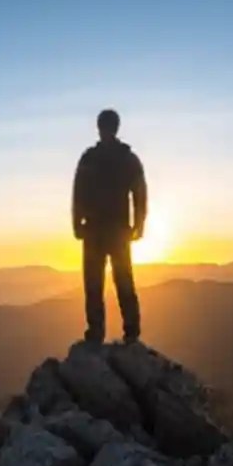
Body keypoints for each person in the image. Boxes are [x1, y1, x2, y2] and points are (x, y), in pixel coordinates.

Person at [71, 108, 146, 344]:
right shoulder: (128, 159)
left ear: (99, 127)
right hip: (118, 230)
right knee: (122, 280)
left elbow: (78, 193)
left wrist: (77, 222)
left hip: (95, 230)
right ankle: (131, 333)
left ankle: (96, 333)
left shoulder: (89, 158)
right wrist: (139, 224)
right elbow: (140, 194)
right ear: (117, 127)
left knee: (94, 283)